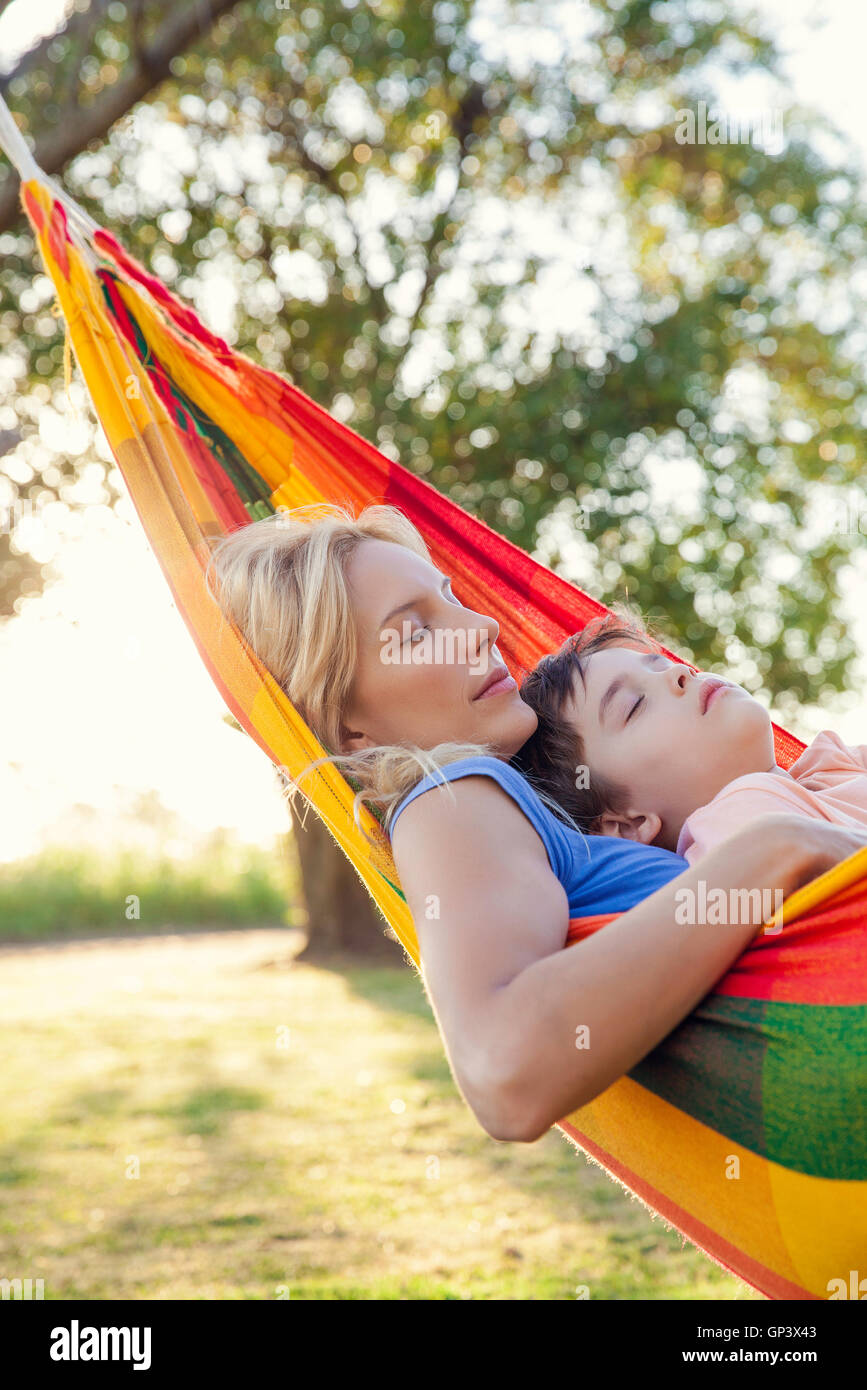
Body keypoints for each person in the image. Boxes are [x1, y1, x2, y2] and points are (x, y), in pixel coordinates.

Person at [206, 503, 867, 1143]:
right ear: (349, 727)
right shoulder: (449, 798)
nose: (484, 628)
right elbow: (505, 1073)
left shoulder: (535, 813)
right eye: (416, 630)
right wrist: (779, 846)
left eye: (453, 599)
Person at [517, 611, 867, 865]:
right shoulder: (734, 819)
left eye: (662, 665)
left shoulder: (830, 761)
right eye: (634, 705)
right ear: (630, 824)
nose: (681, 672)